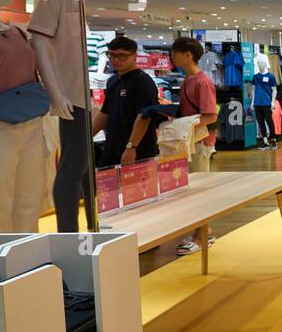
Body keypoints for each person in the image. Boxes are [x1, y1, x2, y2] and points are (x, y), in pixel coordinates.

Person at [171, 36, 220, 256]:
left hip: (199, 141)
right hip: (189, 142)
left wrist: (184, 124)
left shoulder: (202, 82)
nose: (172, 57)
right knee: (191, 189)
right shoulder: (188, 81)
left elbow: (210, 115)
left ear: (187, 54)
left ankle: (203, 234)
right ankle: (199, 232)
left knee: (199, 189)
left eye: (175, 52)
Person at [92, 36, 159, 167]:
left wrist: (131, 147)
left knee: (135, 185)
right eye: (111, 55)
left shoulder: (143, 81)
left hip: (138, 149)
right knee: (107, 184)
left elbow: (144, 117)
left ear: (134, 56)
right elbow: (105, 112)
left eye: (122, 56)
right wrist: (88, 136)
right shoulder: (112, 81)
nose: (116, 60)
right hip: (112, 145)